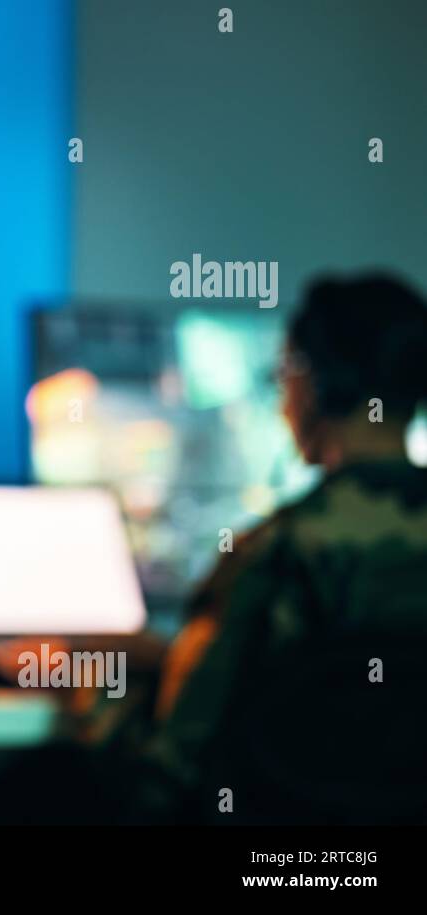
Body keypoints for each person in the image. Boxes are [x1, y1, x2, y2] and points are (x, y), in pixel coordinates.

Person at [137, 272, 427, 820]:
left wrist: (84, 683)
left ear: (315, 383)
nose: (281, 394)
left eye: (286, 373)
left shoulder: (279, 548)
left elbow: (181, 743)